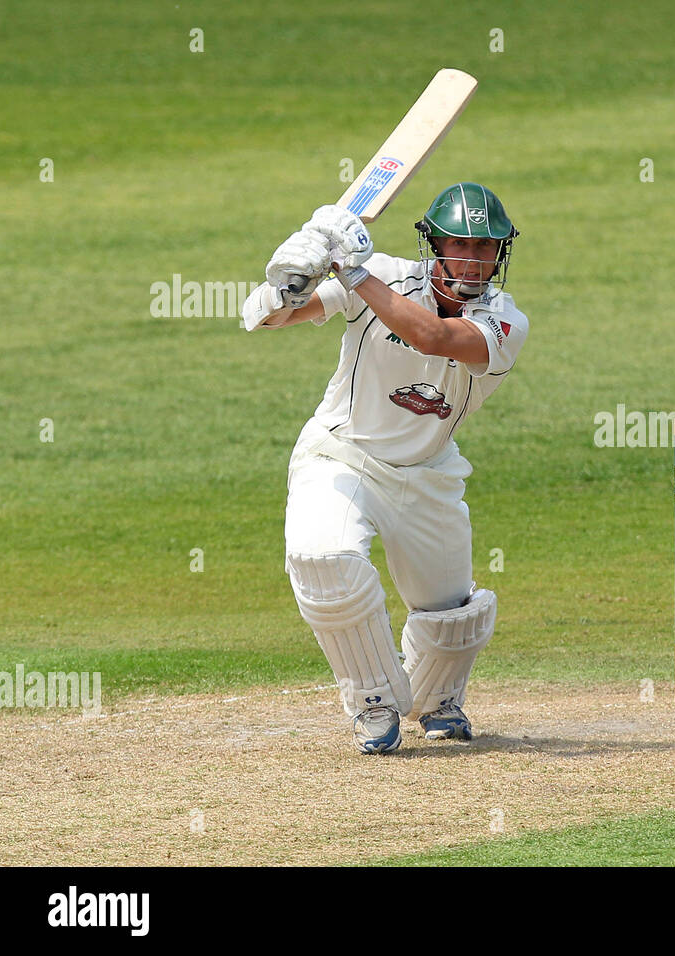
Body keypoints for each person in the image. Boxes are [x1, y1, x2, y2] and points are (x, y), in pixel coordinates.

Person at [240, 183, 528, 752]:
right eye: (459, 245)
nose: (472, 259)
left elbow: (432, 335)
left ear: (500, 254)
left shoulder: (505, 321)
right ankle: (372, 699)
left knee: (451, 615)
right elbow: (268, 319)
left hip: (427, 472)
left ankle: (437, 699)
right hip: (342, 455)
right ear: (435, 246)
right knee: (324, 560)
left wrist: (352, 271)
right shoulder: (386, 276)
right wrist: (291, 279)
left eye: (485, 248)